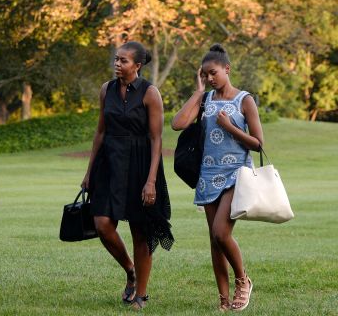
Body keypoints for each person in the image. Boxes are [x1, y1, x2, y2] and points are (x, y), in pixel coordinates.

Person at [81, 41, 174, 310]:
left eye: (123, 61)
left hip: (140, 164)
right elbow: (100, 131)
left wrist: (151, 180)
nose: (117, 64)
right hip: (109, 163)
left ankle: (141, 294)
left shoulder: (150, 93)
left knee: (140, 231)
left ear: (137, 65)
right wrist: (89, 172)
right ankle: (130, 270)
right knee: (102, 224)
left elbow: (156, 139)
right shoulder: (106, 90)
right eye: (116, 60)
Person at [171, 44, 263, 312]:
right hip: (207, 175)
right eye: (205, 74)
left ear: (227, 69)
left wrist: (230, 127)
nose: (210, 78)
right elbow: (178, 124)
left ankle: (243, 281)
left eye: (213, 73)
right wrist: (199, 92)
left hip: (236, 175)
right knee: (214, 240)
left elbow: (258, 143)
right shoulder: (206, 98)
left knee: (221, 233)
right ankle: (223, 300)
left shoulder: (244, 100)